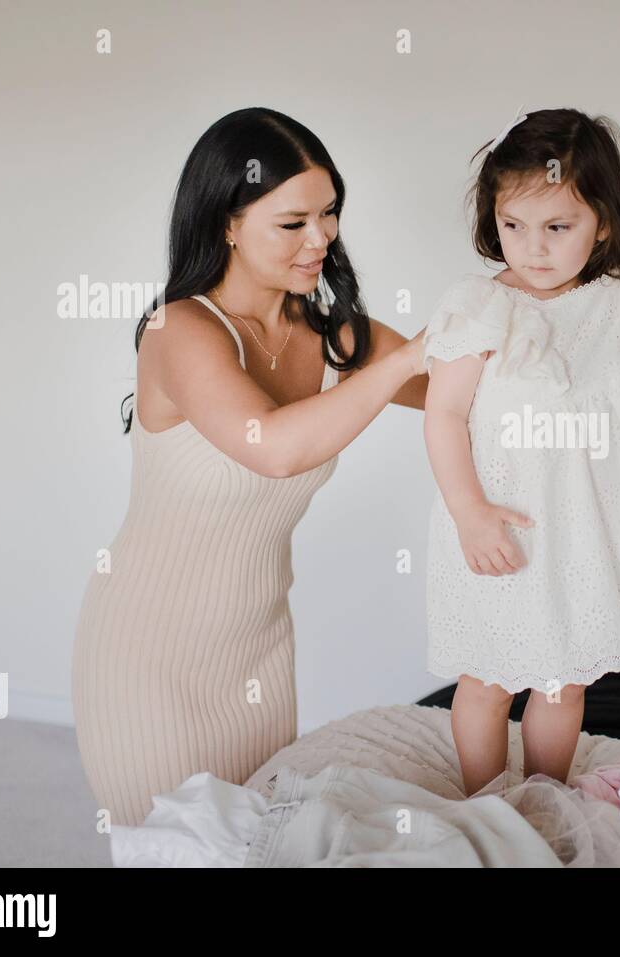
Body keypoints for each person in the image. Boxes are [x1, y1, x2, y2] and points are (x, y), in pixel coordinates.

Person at [72, 107, 428, 826]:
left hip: (259, 651)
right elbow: (273, 445)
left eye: (329, 214)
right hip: (148, 654)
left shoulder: (333, 333)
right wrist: (411, 356)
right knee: (173, 844)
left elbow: (466, 390)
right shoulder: (182, 329)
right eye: (292, 223)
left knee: (260, 843)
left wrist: (573, 316)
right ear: (228, 223)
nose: (322, 237)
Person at [421, 107, 620, 796]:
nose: (532, 248)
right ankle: (483, 798)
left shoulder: (617, 303)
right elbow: (442, 413)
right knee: (488, 677)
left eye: (557, 226)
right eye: (513, 226)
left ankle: (545, 795)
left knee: (563, 679)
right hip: (500, 520)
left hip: (581, 526)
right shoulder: (479, 306)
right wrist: (470, 511)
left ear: (603, 222)